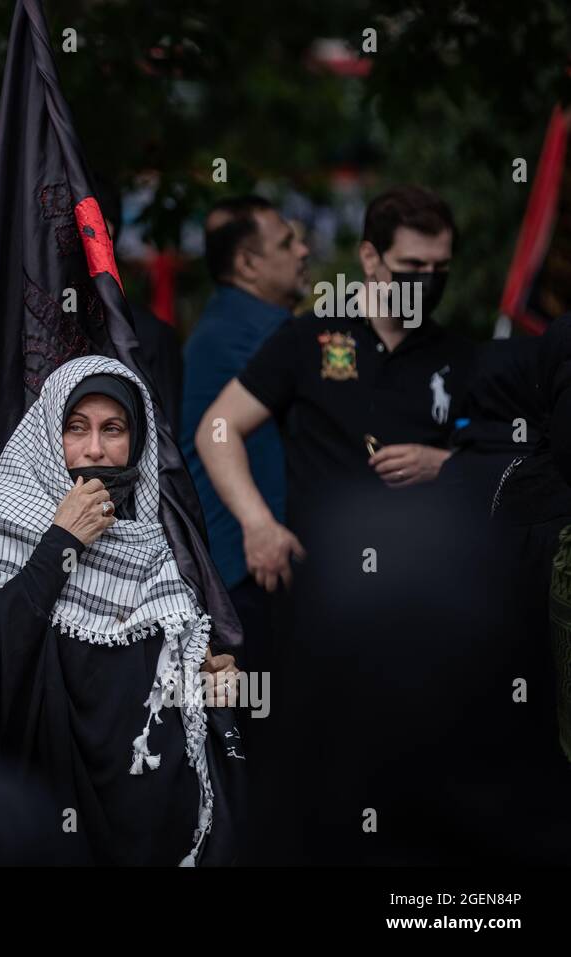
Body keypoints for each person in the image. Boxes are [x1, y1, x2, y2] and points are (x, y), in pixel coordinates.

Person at [194, 186, 479, 862]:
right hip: (318, 616)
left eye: (441, 267)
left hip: (426, 621)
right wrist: (257, 522)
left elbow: (506, 464)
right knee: (315, 797)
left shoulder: (459, 358)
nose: (428, 281)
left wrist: (446, 464)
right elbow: (216, 428)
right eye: (412, 267)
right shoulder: (310, 337)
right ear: (371, 259)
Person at [0, 355, 244, 866]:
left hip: (142, 831)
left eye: (113, 429)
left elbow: (165, 689)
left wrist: (206, 682)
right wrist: (60, 543)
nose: (94, 450)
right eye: (75, 428)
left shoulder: (161, 551)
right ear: (46, 435)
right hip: (38, 819)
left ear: (137, 445)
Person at [181, 195, 309, 668]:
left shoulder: (221, 325)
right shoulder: (264, 332)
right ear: (248, 263)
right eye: (287, 242)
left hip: (235, 569)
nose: (303, 250)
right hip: (254, 570)